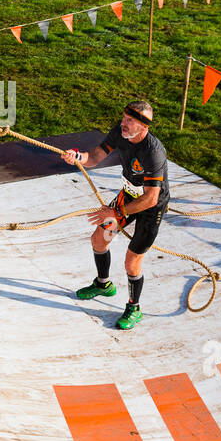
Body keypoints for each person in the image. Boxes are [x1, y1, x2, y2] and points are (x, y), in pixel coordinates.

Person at [62, 100, 169, 330]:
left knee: (132, 262)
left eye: (130, 121)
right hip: (128, 196)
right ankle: (103, 284)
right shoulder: (120, 134)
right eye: (124, 118)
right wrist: (76, 157)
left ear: (144, 127)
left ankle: (134, 308)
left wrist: (116, 211)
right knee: (99, 239)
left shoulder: (153, 152)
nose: (123, 123)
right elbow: (94, 157)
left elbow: (150, 198)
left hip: (150, 208)